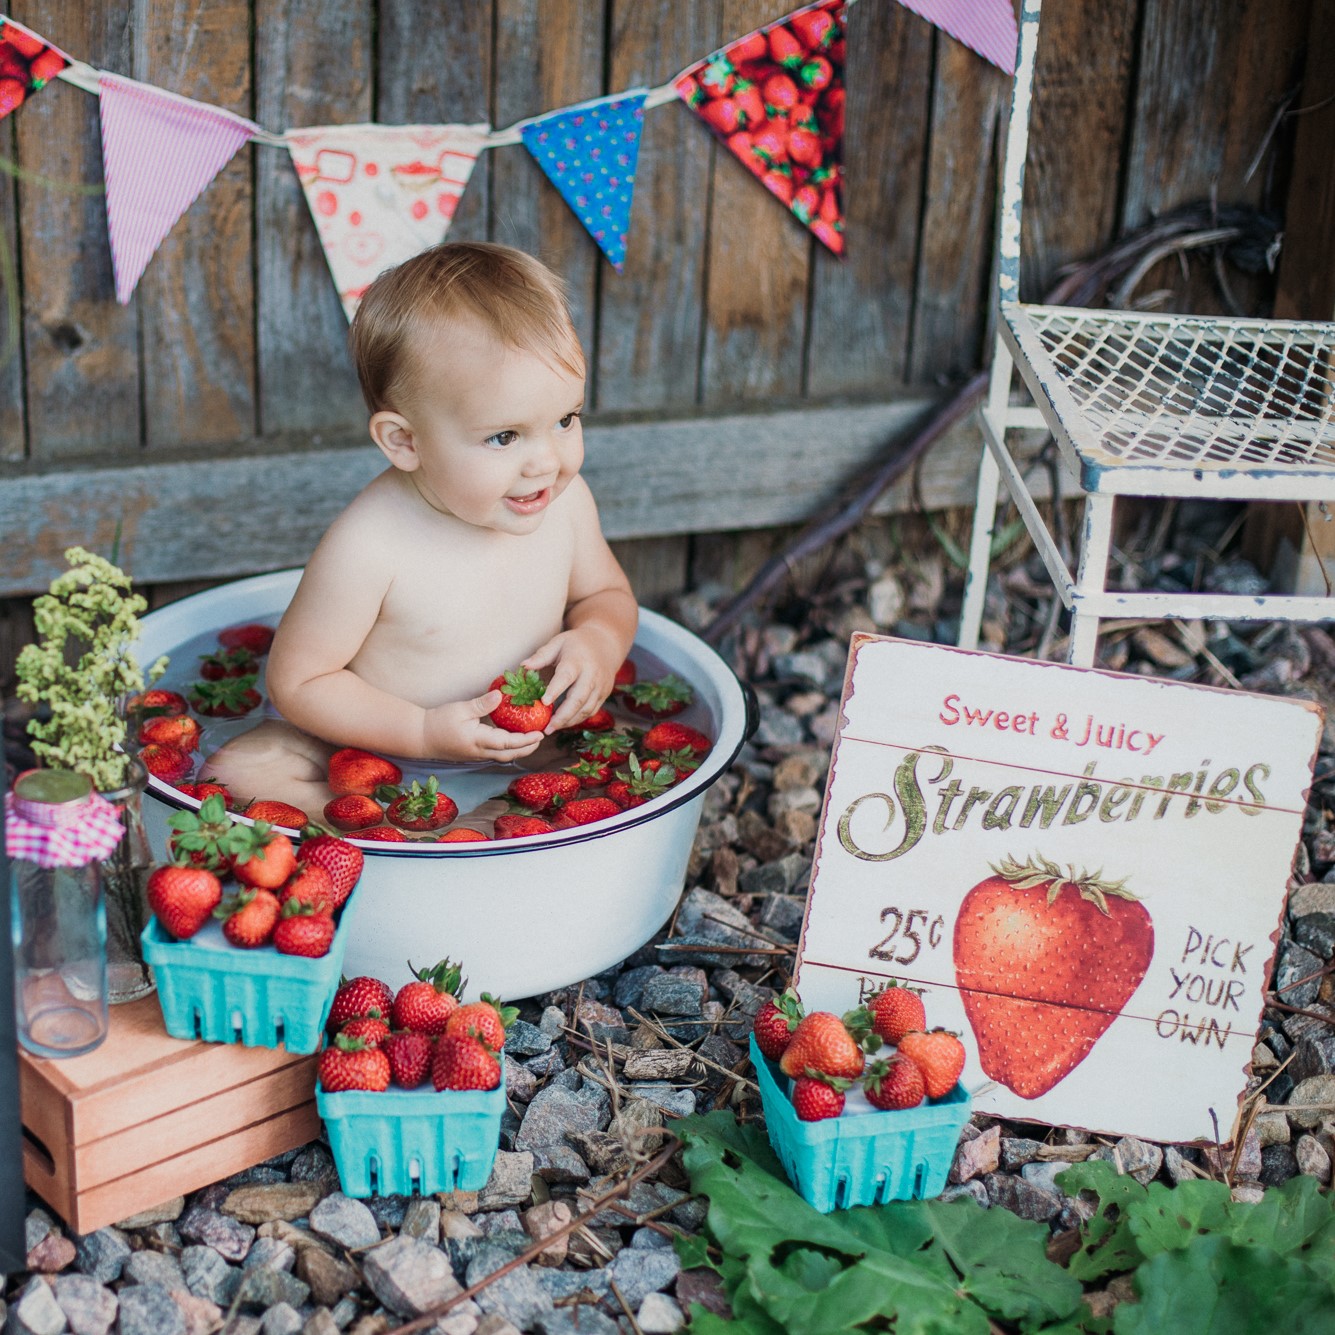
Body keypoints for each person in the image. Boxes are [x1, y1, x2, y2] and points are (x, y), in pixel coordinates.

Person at [203, 242, 638, 820]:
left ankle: (477, 833)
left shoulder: (566, 503)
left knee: (609, 767)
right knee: (238, 772)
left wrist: (599, 644)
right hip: (369, 744)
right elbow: (300, 681)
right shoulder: (369, 545)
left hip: (522, 745)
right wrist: (421, 732)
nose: (547, 462)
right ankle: (390, 836)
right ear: (404, 441)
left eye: (565, 420)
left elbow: (605, 596)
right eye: (504, 437)